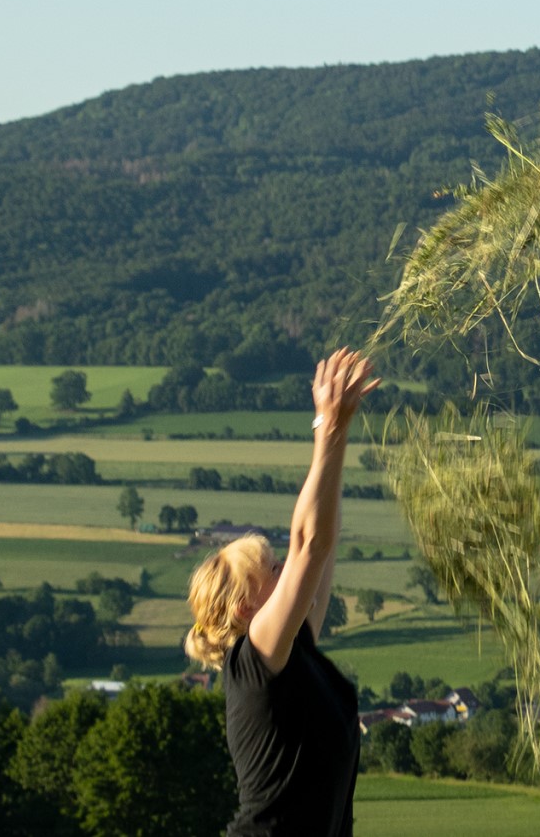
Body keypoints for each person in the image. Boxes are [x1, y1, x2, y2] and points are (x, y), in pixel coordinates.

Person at [184, 348, 379, 837]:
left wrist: (340, 429)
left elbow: (324, 541)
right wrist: (326, 430)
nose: (284, 569)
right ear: (244, 607)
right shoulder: (254, 663)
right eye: (271, 568)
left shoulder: (296, 653)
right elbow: (309, 545)